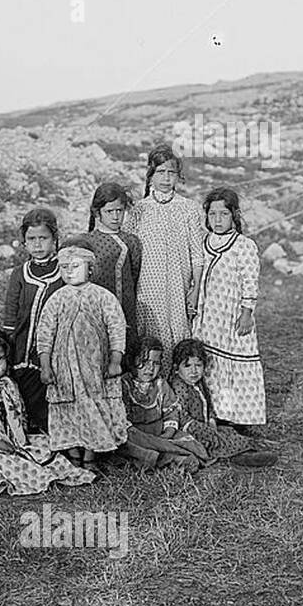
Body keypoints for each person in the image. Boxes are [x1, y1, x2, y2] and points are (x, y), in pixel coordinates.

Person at [0, 326, 95, 496]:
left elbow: (19, 411)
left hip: (13, 439)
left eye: (0, 358)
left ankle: (50, 471)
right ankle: (31, 477)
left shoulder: (8, 384)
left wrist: (19, 433)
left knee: (45, 446)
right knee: (0, 460)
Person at [35, 244, 129, 467]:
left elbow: (116, 328)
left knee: (93, 407)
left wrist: (115, 360)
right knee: (69, 408)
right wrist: (45, 365)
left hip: (95, 369)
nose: (69, 271)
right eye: (64, 267)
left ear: (90, 268)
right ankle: (74, 454)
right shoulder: (57, 299)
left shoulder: (103, 297)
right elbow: (45, 334)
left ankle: (90, 455)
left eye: (75, 266)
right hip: (65, 370)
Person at [191, 187, 267, 427]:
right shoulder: (204, 243)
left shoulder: (244, 245)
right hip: (209, 319)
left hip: (233, 317)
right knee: (213, 366)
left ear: (234, 215)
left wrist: (247, 313)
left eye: (223, 214)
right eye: (213, 215)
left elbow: (250, 281)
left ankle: (238, 418)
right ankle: (218, 413)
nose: (218, 220)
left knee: (235, 366)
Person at [123, 144, 205, 363]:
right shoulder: (139, 209)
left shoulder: (189, 208)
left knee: (178, 337)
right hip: (147, 288)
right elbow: (130, 253)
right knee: (149, 339)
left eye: (171, 172)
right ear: (151, 175)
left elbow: (197, 256)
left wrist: (195, 289)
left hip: (178, 287)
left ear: (178, 176)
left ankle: (176, 390)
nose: (166, 178)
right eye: (160, 172)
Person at [0, 207, 63, 434]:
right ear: (24, 242)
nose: (37, 244)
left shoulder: (63, 273)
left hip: (53, 351)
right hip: (21, 350)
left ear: (54, 239)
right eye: (31, 239)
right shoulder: (20, 273)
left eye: (43, 238)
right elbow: (10, 315)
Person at [169, 338, 276, 467]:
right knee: (213, 440)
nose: (194, 371)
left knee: (229, 432)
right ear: (176, 368)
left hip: (205, 425)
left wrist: (212, 420)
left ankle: (248, 449)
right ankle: (240, 458)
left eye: (198, 365)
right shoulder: (179, 386)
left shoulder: (198, 382)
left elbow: (208, 405)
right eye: (188, 366)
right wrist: (205, 429)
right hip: (190, 430)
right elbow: (182, 417)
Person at [118, 336, 207, 473]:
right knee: (128, 442)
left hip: (159, 431)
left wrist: (168, 432)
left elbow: (171, 411)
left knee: (187, 441)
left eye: (155, 363)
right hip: (137, 434)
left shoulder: (161, 384)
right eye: (144, 362)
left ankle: (170, 457)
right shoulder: (124, 384)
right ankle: (160, 458)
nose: (150, 368)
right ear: (132, 360)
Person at [75, 182, 142, 353]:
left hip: (124, 309)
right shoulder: (85, 242)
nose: (115, 217)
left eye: (119, 211)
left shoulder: (131, 241)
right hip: (94, 310)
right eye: (109, 211)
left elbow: (134, 275)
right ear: (97, 213)